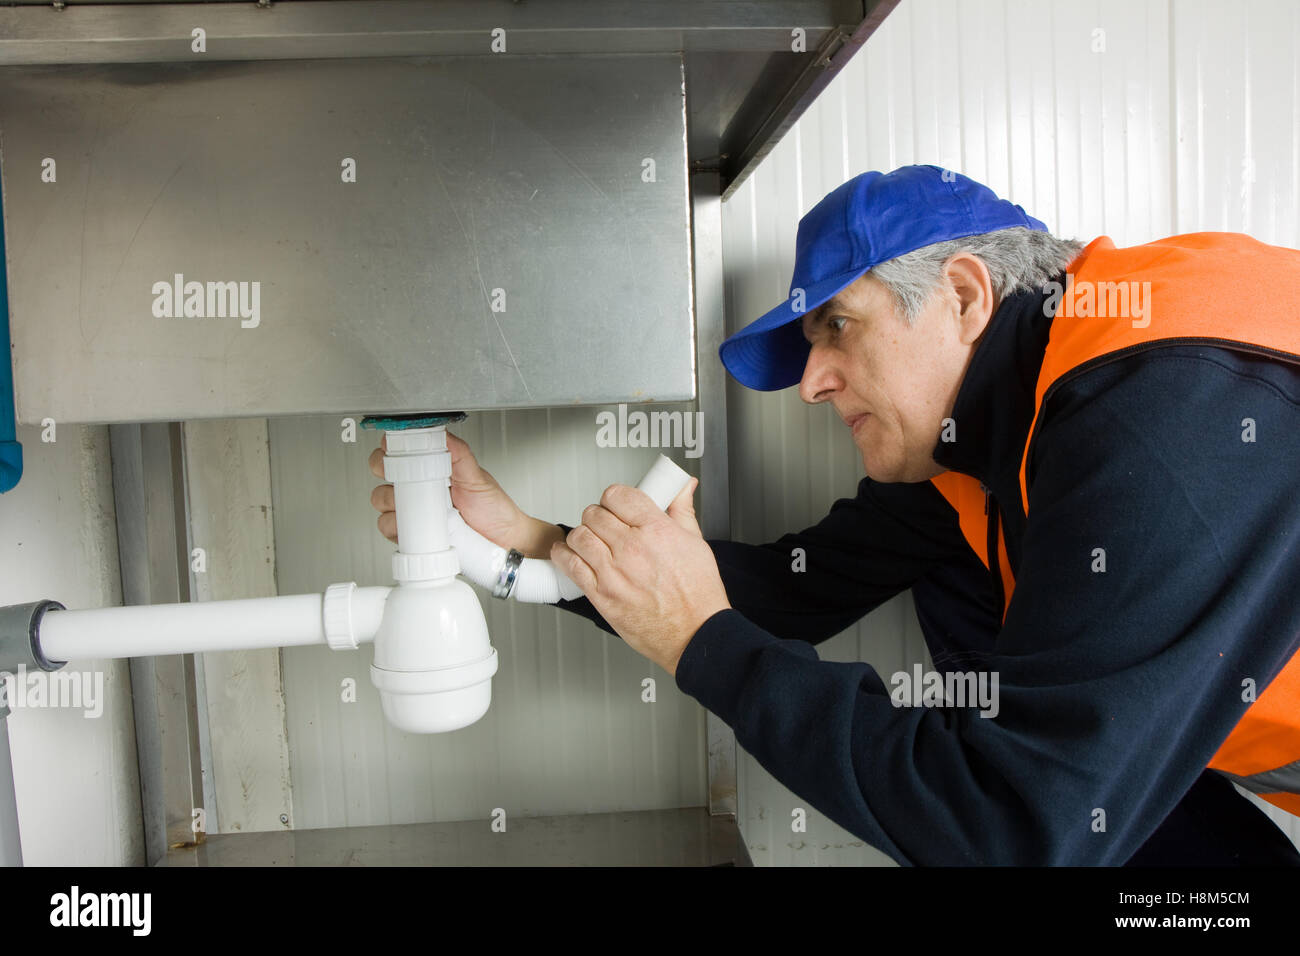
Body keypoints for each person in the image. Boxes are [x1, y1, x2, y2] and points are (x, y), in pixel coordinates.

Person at [370, 165, 1300, 865]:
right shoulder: (994, 435)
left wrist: (702, 643)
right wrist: (528, 542)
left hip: (1085, 820)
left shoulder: (1162, 415)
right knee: (961, 592)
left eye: (837, 329)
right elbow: (790, 590)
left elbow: (1021, 832)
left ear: (966, 297)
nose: (812, 385)